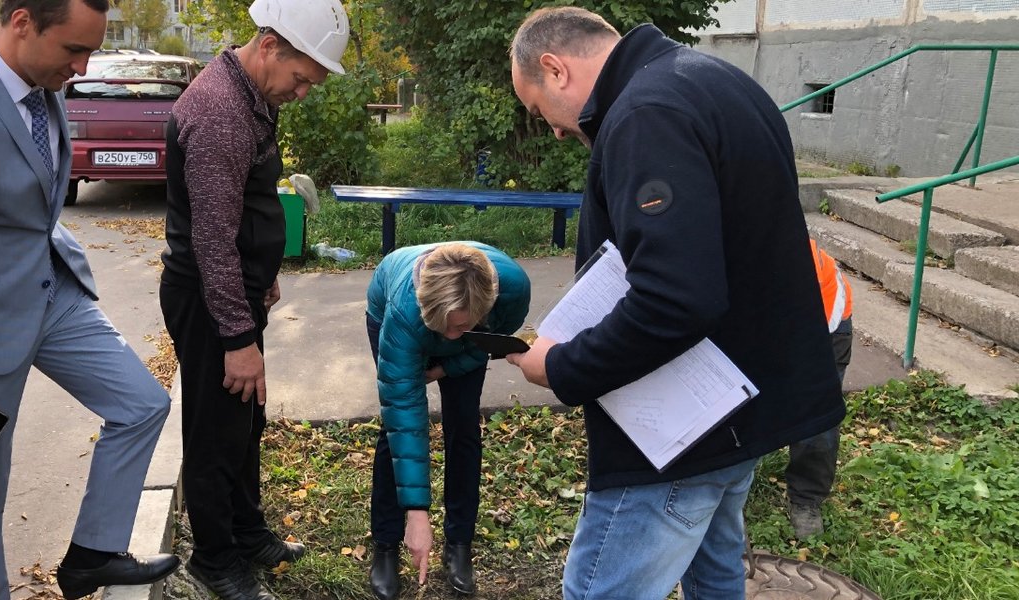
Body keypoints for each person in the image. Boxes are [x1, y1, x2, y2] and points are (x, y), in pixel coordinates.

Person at [505, 7, 846, 599]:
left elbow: (674, 299)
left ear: (555, 69)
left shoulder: (646, 114)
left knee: (599, 590)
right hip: (746, 404)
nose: (555, 131)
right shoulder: (715, 79)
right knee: (715, 574)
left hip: (687, 429)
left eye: (540, 112)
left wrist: (560, 367)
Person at [0, 0, 177, 597]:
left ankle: (93, 554)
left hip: (54, 296)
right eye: (74, 49)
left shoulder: (46, 85)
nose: (85, 64)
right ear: (21, 21)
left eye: (91, 49)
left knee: (143, 403)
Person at [159, 0, 350, 598]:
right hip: (210, 302)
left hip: (235, 293)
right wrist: (238, 339)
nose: (301, 93)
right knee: (216, 434)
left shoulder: (252, 96)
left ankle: (247, 533)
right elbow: (213, 240)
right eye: (300, 79)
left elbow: (241, 206)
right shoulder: (220, 111)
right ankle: (215, 561)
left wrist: (261, 271)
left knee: (244, 425)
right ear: (270, 44)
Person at [364, 242, 531, 600]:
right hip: (398, 317)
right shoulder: (404, 313)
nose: (447, 337)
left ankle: (459, 544)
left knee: (464, 427)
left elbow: (492, 342)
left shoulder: (513, 289)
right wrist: (417, 513)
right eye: (442, 329)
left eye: (458, 327)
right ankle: (386, 544)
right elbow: (404, 410)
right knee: (395, 429)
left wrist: (445, 366)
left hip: (472, 327)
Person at [787, 240, 854, 538]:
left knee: (817, 417)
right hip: (779, 317)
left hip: (827, 322)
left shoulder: (788, 263)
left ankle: (806, 498)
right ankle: (728, 489)